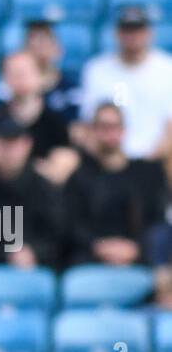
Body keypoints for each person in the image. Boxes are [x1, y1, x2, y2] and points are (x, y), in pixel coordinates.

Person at [64, 102, 168, 267]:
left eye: (115, 126)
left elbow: (157, 220)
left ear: (124, 129)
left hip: (143, 259)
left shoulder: (148, 174)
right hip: (90, 258)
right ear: (93, 131)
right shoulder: (80, 177)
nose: (110, 133)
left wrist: (136, 247)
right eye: (103, 126)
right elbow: (71, 224)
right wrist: (100, 247)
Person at [0, 118, 66, 271]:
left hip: (36, 268)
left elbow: (58, 235)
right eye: (3, 144)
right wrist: (7, 255)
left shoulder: (44, 188)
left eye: (15, 144)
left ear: (27, 145)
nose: (9, 151)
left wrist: (34, 252)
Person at [78, 7, 172, 162]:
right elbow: (88, 124)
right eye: (127, 30)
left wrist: (149, 161)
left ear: (149, 32)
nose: (132, 36)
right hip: (107, 159)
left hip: (157, 159)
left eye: (137, 29)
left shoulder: (167, 69)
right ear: (117, 33)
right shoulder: (96, 69)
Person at [0, 50, 75, 184]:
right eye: (13, 73)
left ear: (41, 76)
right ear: (4, 78)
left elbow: (65, 163)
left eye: (25, 72)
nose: (21, 78)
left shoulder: (56, 122)